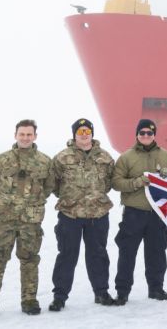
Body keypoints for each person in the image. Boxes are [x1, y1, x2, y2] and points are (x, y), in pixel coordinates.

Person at [0, 119, 53, 320]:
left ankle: (29, 300)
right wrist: (9, 203)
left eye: (29, 134)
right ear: (15, 135)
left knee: (29, 261)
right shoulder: (2, 160)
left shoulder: (45, 161)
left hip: (30, 221)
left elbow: (48, 188)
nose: (25, 137)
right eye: (22, 134)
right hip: (4, 220)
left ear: (35, 136)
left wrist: (31, 203)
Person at [48, 119, 116, 311]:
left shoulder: (105, 157)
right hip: (70, 215)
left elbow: (110, 182)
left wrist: (94, 197)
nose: (84, 134)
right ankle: (59, 297)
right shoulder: (62, 158)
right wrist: (72, 198)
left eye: (87, 131)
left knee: (98, 254)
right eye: (80, 131)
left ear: (92, 133)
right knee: (67, 255)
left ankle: (101, 292)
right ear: (74, 134)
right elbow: (54, 185)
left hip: (98, 214)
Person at [112, 119, 167, 305]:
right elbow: (116, 183)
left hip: (157, 214)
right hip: (134, 212)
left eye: (149, 133)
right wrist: (136, 182)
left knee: (157, 253)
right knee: (127, 253)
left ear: (154, 135)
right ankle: (122, 292)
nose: (146, 136)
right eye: (142, 133)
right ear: (136, 135)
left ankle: (156, 289)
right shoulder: (126, 157)